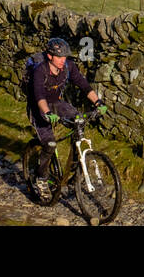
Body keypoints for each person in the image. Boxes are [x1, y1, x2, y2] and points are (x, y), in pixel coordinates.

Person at [28, 37, 106, 196]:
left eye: (65, 56)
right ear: (50, 56)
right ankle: (41, 178)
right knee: (49, 144)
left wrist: (98, 102)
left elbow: (84, 85)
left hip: (57, 103)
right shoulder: (40, 70)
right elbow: (39, 96)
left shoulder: (69, 67)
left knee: (79, 121)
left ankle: (75, 167)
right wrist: (47, 113)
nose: (63, 60)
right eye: (59, 57)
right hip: (39, 107)